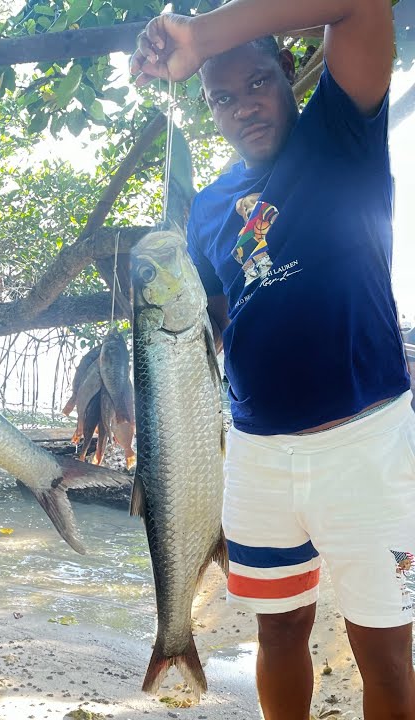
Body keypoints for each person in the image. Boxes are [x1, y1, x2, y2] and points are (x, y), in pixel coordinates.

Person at [133, 2, 415, 717]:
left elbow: (359, 6)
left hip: (367, 442)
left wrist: (198, 38)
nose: (242, 108)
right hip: (257, 458)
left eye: (256, 83)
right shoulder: (207, 209)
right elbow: (218, 324)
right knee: (280, 630)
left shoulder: (340, 133)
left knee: (383, 647)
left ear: (288, 71)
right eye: (222, 98)